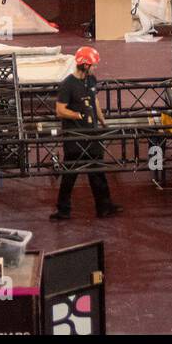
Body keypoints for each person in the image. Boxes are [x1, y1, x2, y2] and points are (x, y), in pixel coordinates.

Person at [50, 46, 122, 221]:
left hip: (92, 134)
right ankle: (63, 210)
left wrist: (102, 121)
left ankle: (104, 207)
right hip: (75, 137)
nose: (95, 68)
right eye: (93, 65)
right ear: (84, 65)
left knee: (98, 171)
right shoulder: (67, 85)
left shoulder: (91, 80)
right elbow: (60, 111)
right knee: (70, 174)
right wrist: (77, 115)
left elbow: (94, 99)